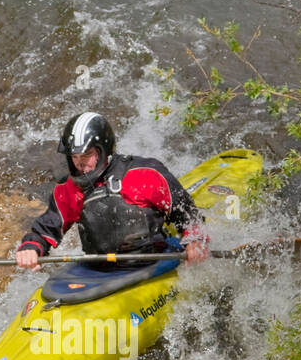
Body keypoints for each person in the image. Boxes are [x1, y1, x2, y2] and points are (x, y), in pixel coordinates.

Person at [15, 111, 210, 270]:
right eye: (74, 157)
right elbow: (45, 229)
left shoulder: (145, 174)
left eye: (86, 155)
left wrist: (195, 240)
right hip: (100, 269)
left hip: (151, 261)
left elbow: (187, 214)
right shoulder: (69, 190)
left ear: (103, 150)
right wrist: (32, 247)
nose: (80, 163)